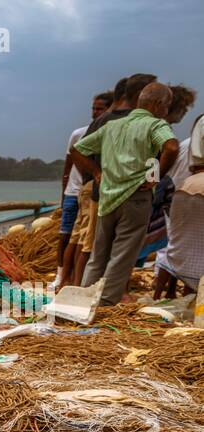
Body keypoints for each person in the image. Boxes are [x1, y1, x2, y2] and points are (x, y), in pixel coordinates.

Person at [73, 82, 180, 305]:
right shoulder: (155, 124)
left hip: (107, 197)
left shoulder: (113, 125)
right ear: (157, 104)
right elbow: (171, 147)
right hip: (135, 197)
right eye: (167, 106)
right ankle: (104, 305)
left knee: (98, 254)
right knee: (122, 255)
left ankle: (83, 302)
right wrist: (154, 176)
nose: (167, 111)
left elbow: (78, 149)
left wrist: (96, 172)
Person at [72, 75, 156, 286]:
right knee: (105, 248)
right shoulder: (139, 123)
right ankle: (92, 291)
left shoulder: (106, 120)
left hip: (103, 193)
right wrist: (95, 174)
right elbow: (80, 152)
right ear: (141, 95)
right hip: (118, 196)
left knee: (96, 248)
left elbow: (80, 152)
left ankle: (84, 289)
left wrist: (94, 175)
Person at [57, 90, 112, 288]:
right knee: (75, 237)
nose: (95, 112)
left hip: (85, 190)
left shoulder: (101, 131)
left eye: (100, 108)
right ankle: (66, 279)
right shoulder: (82, 133)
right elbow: (71, 161)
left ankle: (69, 280)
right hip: (82, 191)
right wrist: (93, 175)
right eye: (94, 108)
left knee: (77, 236)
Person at [154, 113, 204, 298]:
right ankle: (191, 293)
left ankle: (160, 294)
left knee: (177, 244)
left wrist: (153, 181)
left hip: (181, 190)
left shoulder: (185, 143)